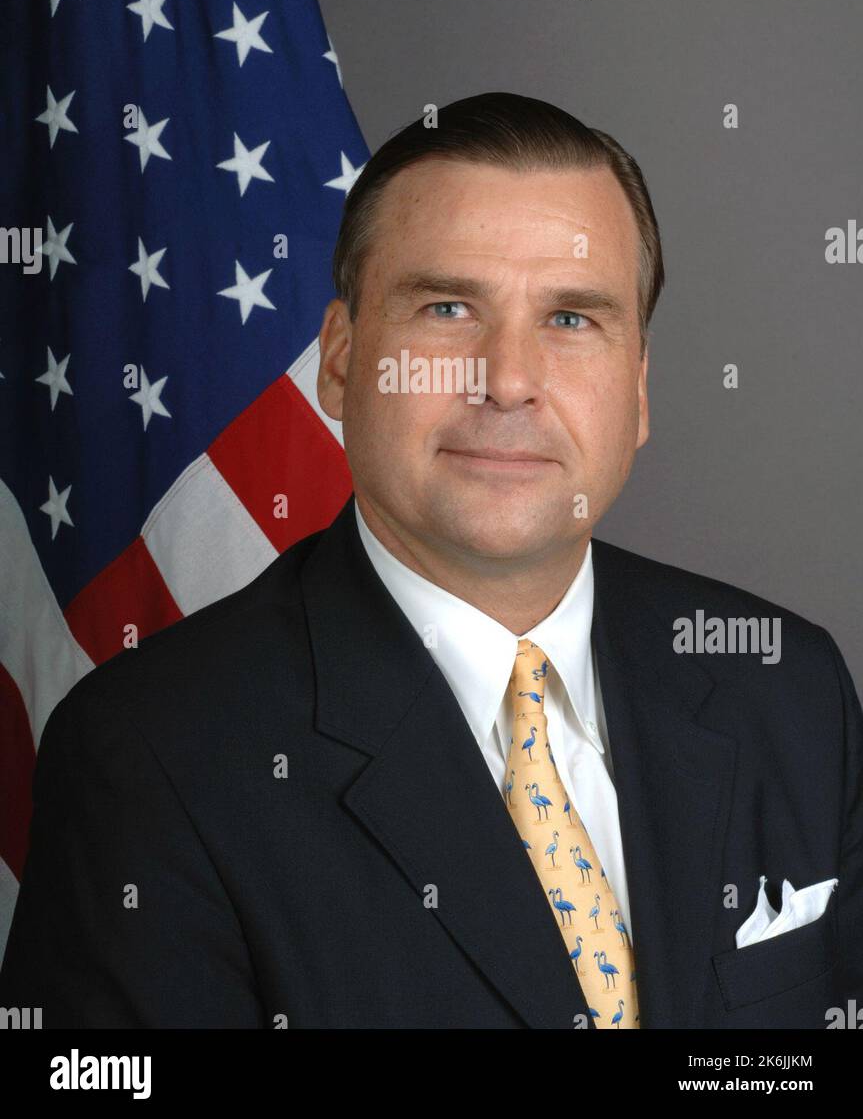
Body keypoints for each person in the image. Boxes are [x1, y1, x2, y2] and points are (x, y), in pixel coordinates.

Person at [2, 92, 861, 1029]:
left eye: (572, 319)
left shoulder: (783, 684)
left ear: (639, 388)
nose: (509, 380)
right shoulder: (149, 760)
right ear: (339, 360)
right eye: (447, 308)